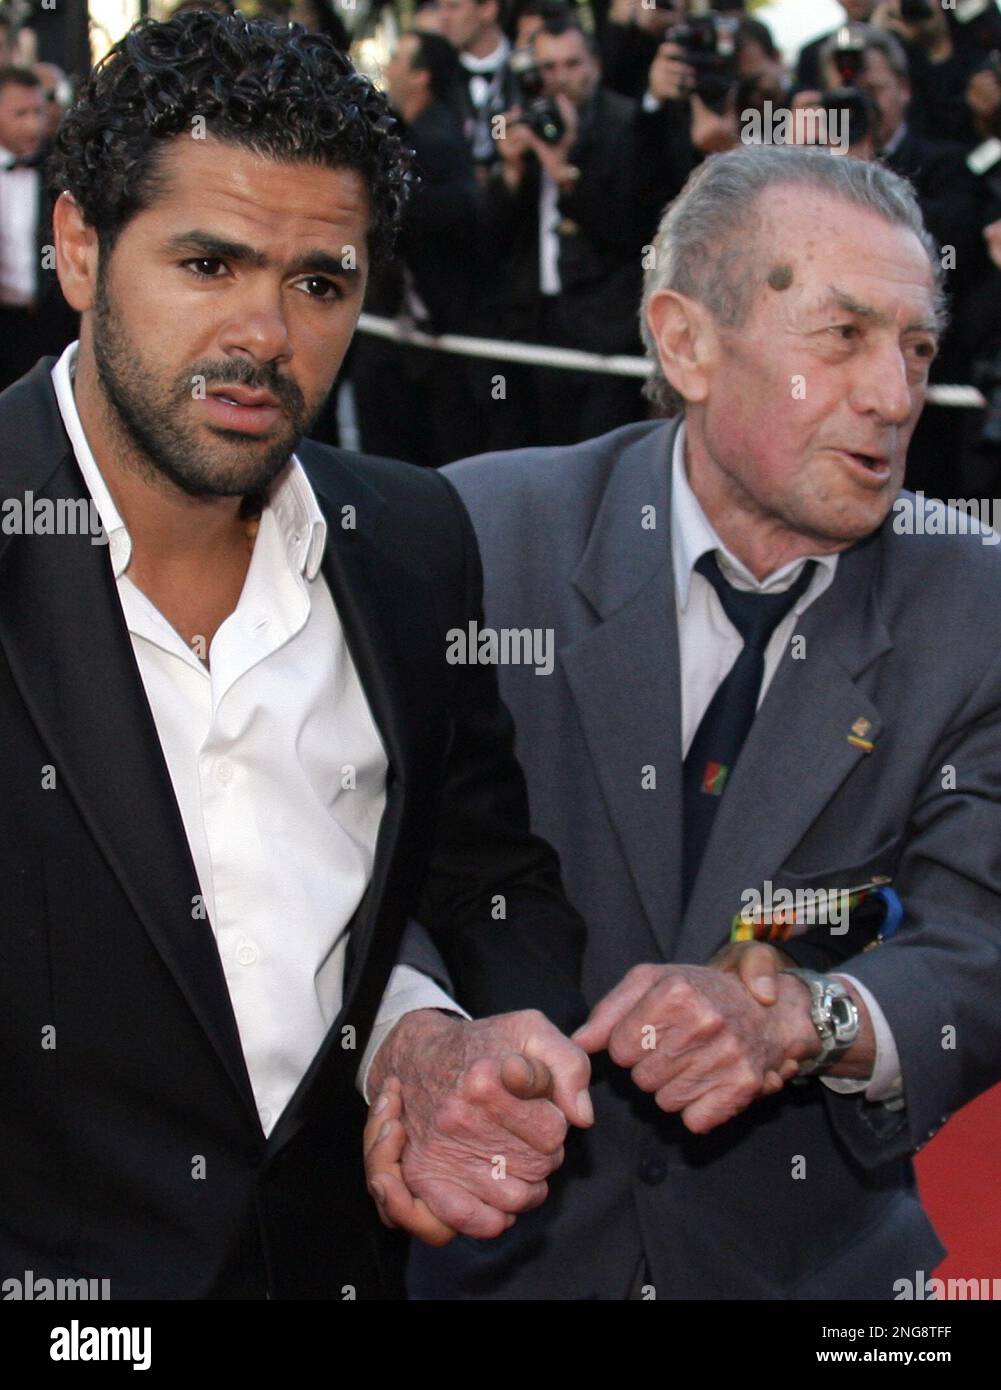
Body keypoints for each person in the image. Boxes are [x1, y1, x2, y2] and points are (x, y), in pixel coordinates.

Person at [0, 9, 595, 1300]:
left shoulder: (411, 541)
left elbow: (488, 877)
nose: (267, 334)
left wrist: (432, 1034)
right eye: (208, 264)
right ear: (81, 250)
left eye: (319, 281)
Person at [399, 145, 1001, 1299]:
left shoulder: (972, 599)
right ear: (684, 342)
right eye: (841, 335)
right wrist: (423, 1038)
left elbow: (976, 939)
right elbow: (358, 863)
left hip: (815, 1272)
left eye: (915, 347)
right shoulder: (475, 533)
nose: (892, 394)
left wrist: (813, 1019)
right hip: (490, 1258)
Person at [350, 30, 482, 465]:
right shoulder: (403, 130)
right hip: (396, 332)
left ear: (422, 76)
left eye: (399, 61)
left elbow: (463, 211)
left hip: (430, 338)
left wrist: (391, 204)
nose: (389, 69)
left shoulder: (438, 139)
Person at [0, 64, 77, 390]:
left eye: (38, 112)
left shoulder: (59, 168)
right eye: (20, 114)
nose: (33, 124)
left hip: (49, 326)